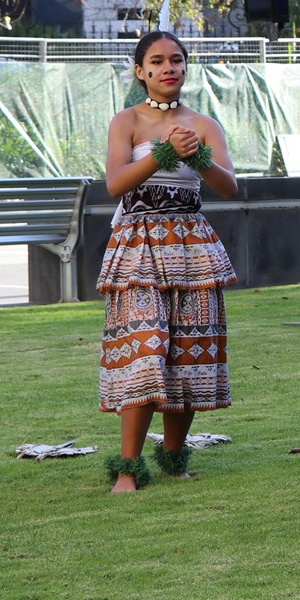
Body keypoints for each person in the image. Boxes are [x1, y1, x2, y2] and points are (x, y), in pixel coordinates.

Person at [98, 28, 238, 492]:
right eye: (157, 62)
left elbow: (229, 187)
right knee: (144, 350)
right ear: (140, 71)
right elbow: (116, 184)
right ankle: (128, 468)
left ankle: (174, 458)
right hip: (138, 246)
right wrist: (163, 153)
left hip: (191, 245)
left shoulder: (203, 124)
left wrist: (197, 157)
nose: (168, 68)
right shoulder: (126, 121)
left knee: (188, 352)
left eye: (176, 59)